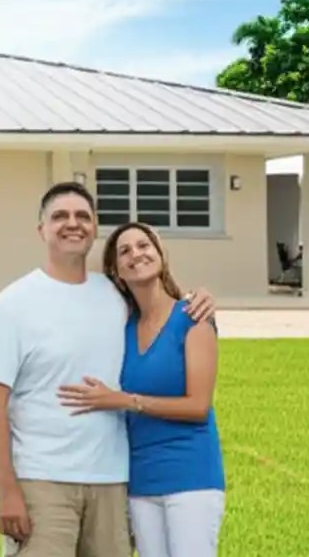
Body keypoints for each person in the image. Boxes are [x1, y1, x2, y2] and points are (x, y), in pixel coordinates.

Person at [0, 181, 215, 556]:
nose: (73, 224)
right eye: (60, 216)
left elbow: (161, 311)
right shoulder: (15, 303)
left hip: (112, 485)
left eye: (83, 216)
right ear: (42, 230)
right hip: (43, 482)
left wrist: (199, 299)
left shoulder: (116, 297)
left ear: (94, 228)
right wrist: (6, 492)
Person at [56, 221, 226, 557]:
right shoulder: (123, 326)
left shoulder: (192, 317)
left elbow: (198, 407)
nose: (136, 254)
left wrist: (124, 401)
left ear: (160, 255)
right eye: (125, 251)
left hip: (191, 477)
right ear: (117, 272)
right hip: (140, 481)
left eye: (144, 245)